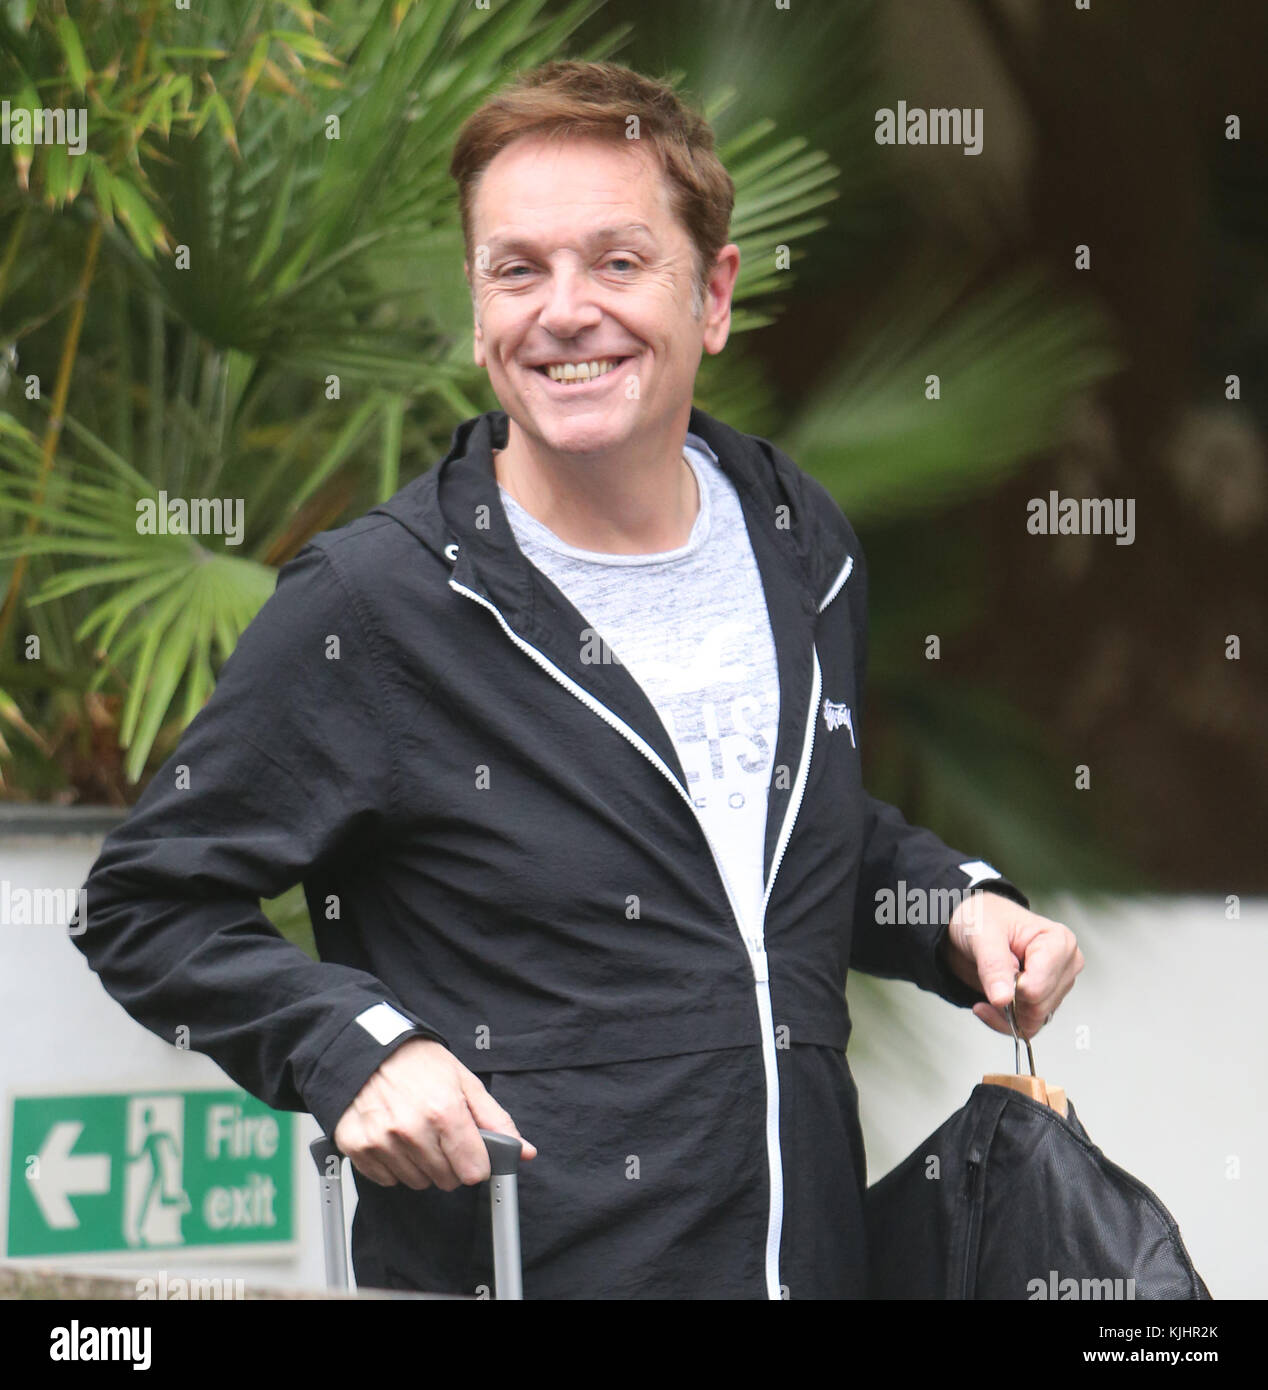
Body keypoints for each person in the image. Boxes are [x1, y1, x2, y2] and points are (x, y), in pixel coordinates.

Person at [73, 59, 1082, 1299]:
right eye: (517, 267)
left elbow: (772, 846)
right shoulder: (375, 604)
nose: (563, 311)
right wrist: (353, 1049)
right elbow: (143, 904)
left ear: (710, 294)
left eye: (615, 261)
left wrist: (955, 908)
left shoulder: (799, 541)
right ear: (477, 305)